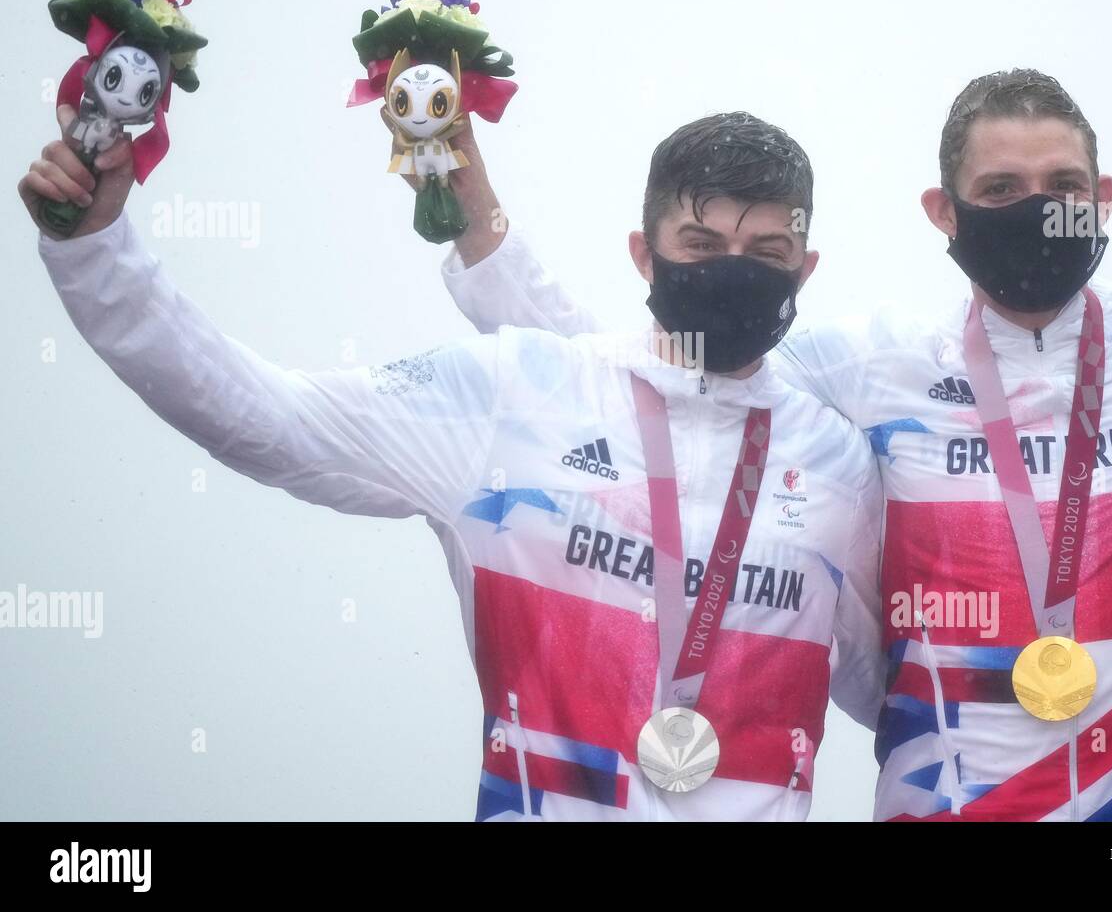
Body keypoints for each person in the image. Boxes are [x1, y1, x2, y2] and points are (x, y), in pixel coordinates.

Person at [430, 71, 1112, 821]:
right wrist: (472, 204)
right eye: (1000, 188)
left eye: (1062, 183)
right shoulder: (865, 367)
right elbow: (631, 379)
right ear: (942, 213)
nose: (1036, 207)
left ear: (1102, 197)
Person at [19, 105, 886, 822]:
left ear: (804, 269)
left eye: (766, 255)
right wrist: (99, 251)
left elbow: (901, 688)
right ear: (642, 253)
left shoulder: (837, 464)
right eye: (700, 244)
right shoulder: (519, 391)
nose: (733, 273)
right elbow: (264, 419)